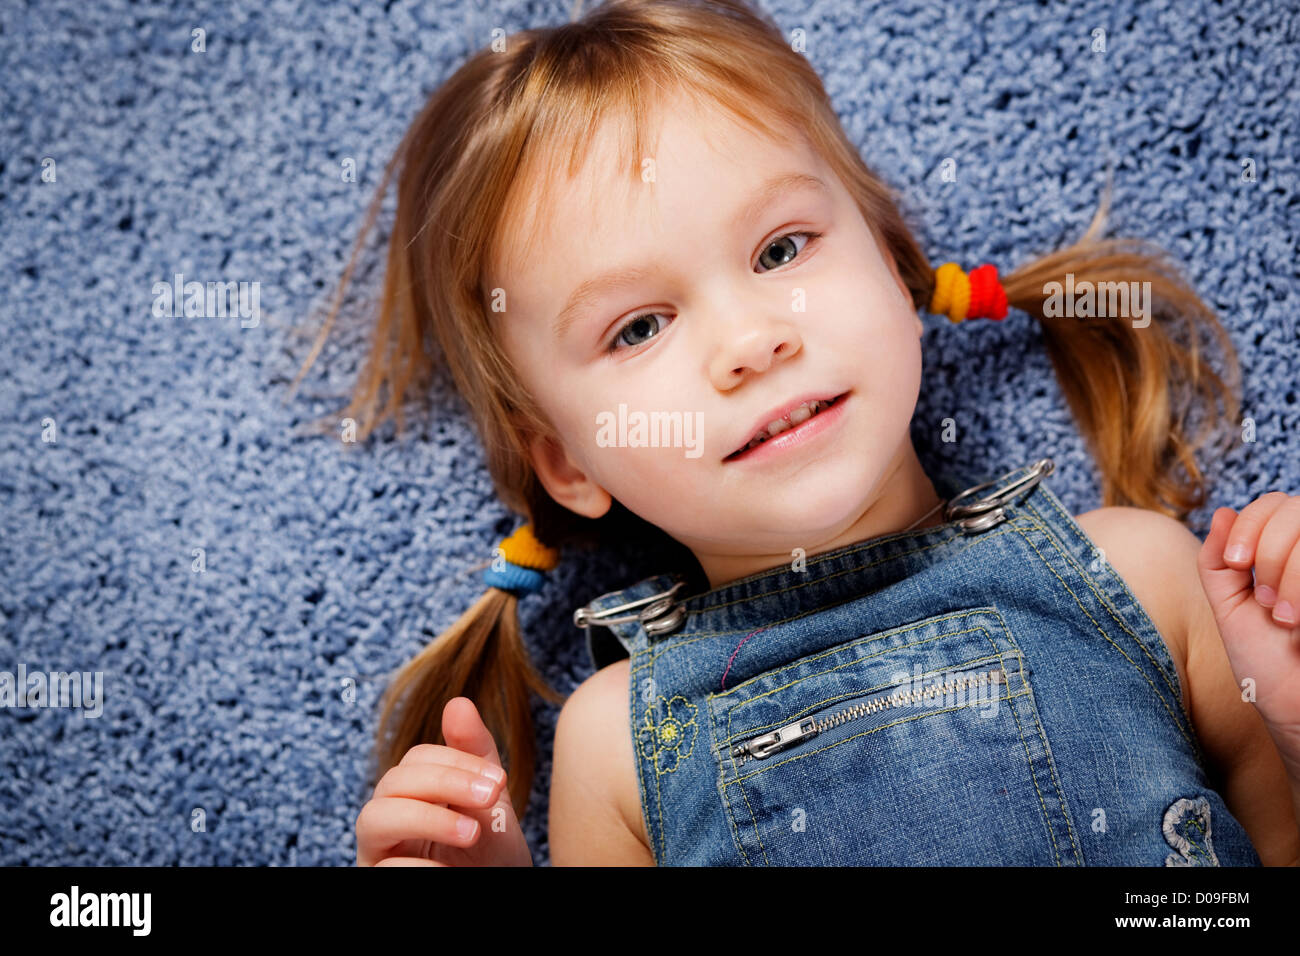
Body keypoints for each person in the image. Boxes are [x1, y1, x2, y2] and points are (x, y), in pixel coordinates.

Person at [290, 0, 1300, 865]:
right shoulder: (615, 743)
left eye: (781, 248)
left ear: (896, 272)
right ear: (565, 461)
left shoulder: (1143, 573)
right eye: (638, 325)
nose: (751, 340)